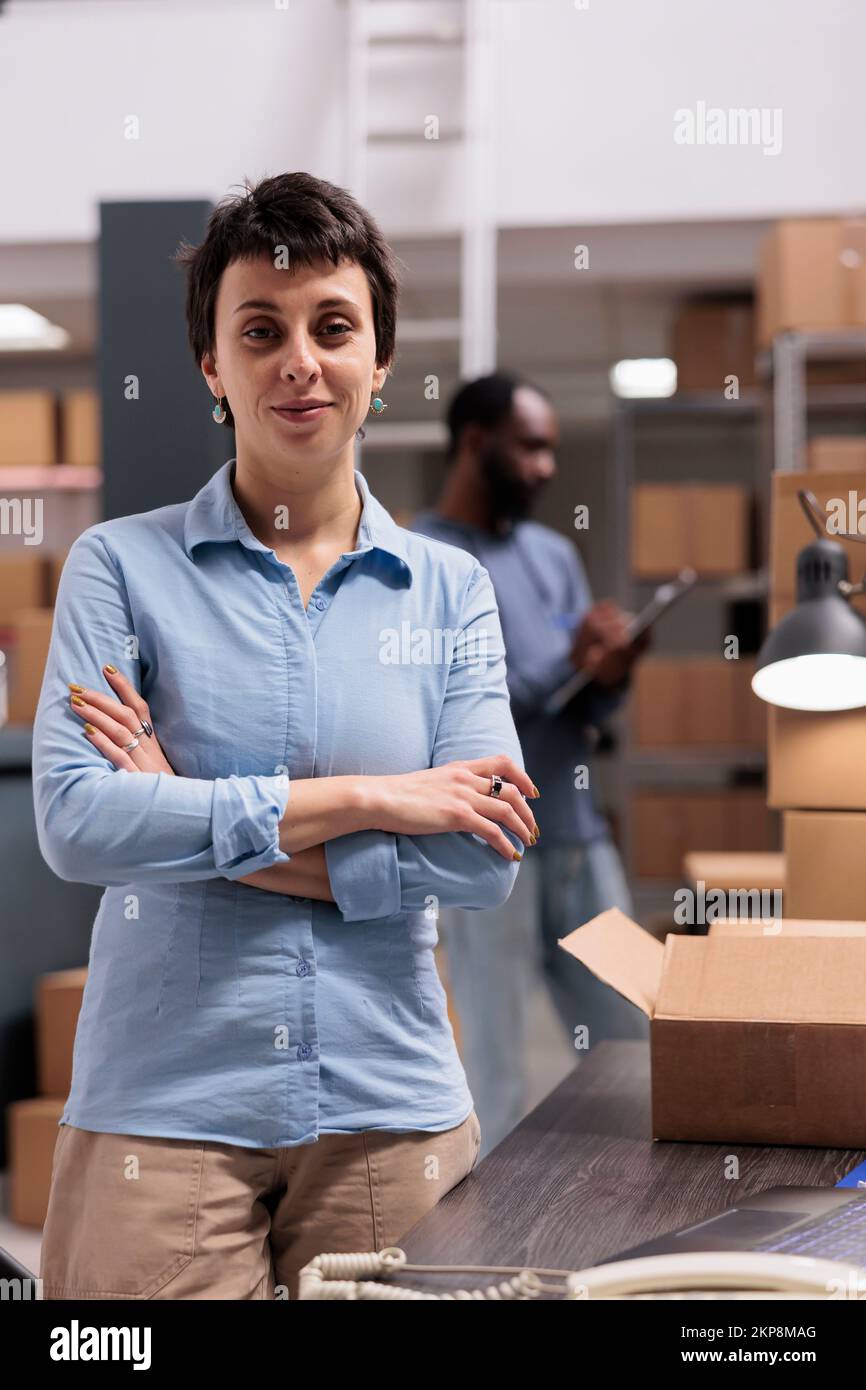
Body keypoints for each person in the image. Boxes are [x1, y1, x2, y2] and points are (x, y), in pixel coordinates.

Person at [33, 175, 541, 1301]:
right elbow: (79, 822)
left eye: (331, 327)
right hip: (159, 1117)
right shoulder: (119, 569)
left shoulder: (449, 590)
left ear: (378, 359)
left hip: (388, 1107)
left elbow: (480, 857)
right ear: (213, 366)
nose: (297, 360)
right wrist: (381, 797)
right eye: (258, 330)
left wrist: (188, 806)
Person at [411, 372, 649, 1155]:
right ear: (476, 443)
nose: (547, 466)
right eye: (533, 447)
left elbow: (580, 707)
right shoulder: (420, 562)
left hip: (579, 837)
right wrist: (565, 665)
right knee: (495, 1067)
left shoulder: (553, 555)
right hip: (488, 847)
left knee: (640, 1036)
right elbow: (460, 716)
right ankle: (487, 1254)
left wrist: (609, 672)